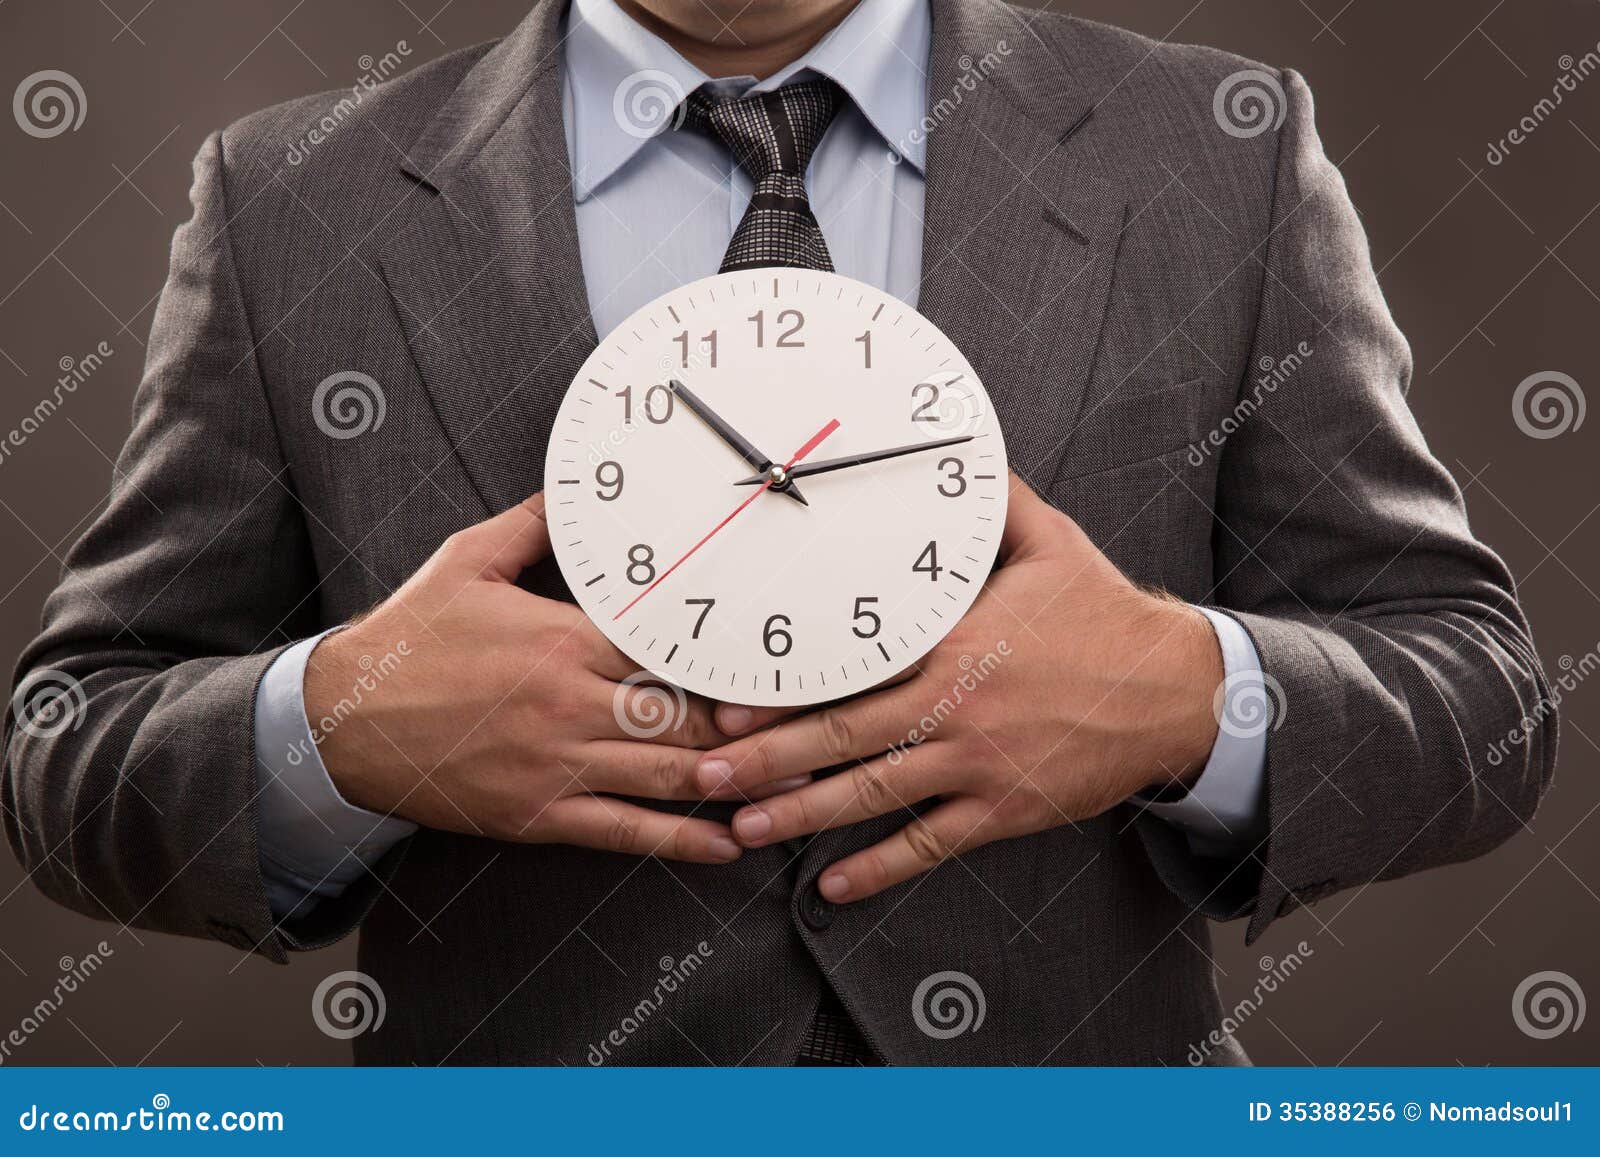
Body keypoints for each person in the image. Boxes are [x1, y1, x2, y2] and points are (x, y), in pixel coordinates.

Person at [3, 0, 1554, 1065]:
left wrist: (1185, 695)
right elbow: (72, 753)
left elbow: (1481, 705)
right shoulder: (295, 200)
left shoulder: (1215, 150)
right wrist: (330, 726)